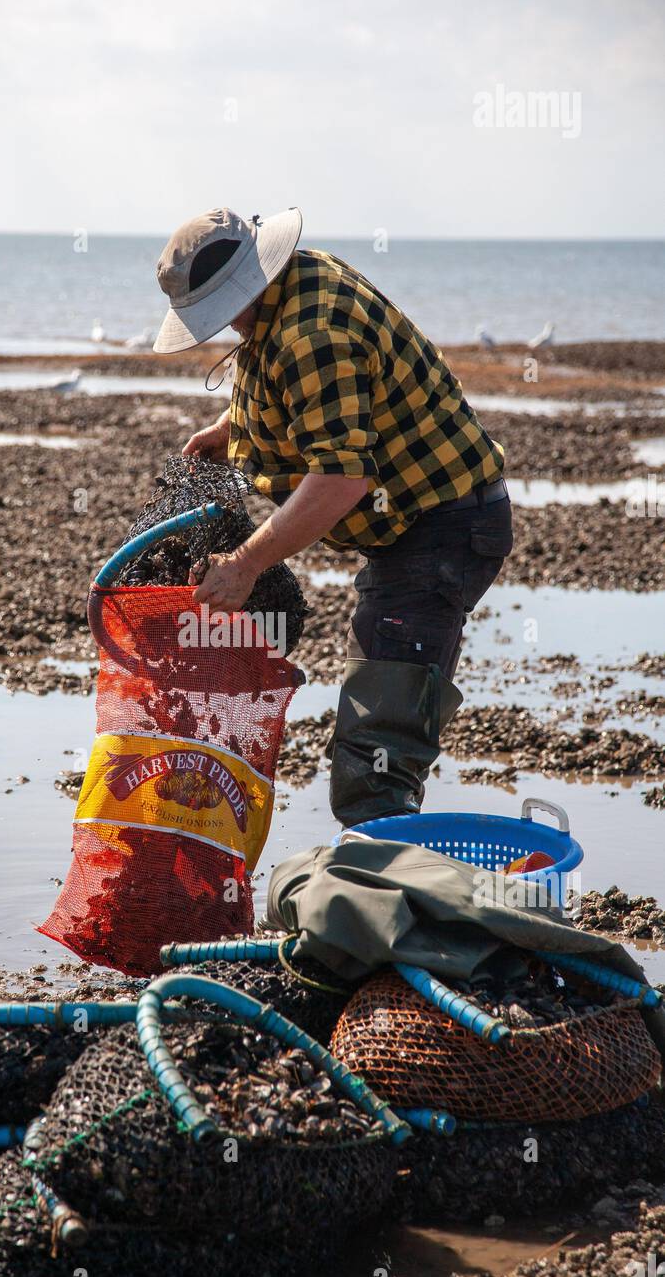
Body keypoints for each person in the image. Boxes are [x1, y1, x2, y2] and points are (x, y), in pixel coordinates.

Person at [153, 207, 512, 826]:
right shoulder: (296, 279)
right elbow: (313, 393)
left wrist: (245, 564)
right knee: (376, 738)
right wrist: (230, 427)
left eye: (219, 310)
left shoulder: (312, 335)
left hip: (439, 529)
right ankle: (389, 879)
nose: (220, 328)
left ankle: (391, 904)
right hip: (410, 527)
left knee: (377, 753)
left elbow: (343, 477)